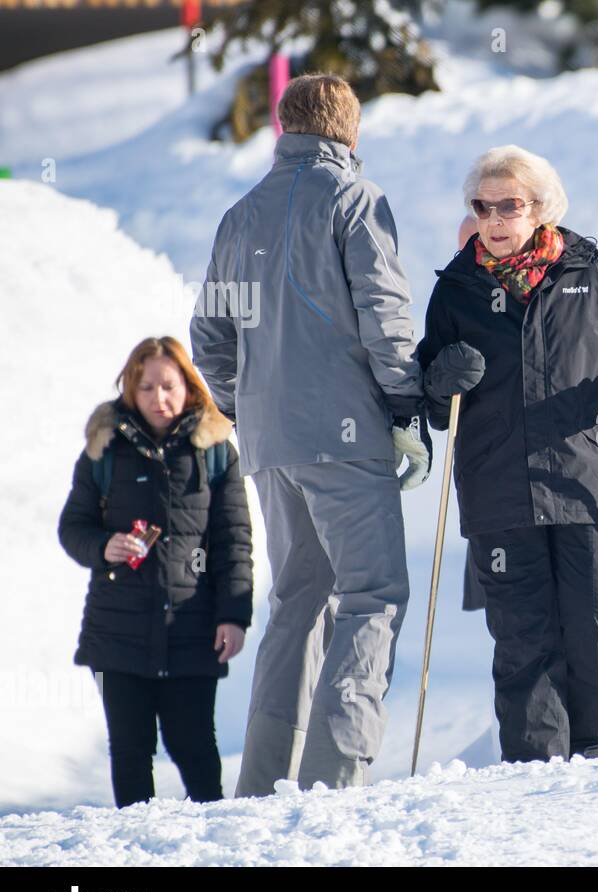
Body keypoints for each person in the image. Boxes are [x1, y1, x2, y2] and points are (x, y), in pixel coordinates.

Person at [190, 73, 429, 795]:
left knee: (298, 598)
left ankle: (263, 781)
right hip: (343, 432)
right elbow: (384, 312)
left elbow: (209, 337)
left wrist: (245, 404)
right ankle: (335, 774)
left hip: (268, 441)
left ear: (284, 131)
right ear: (350, 133)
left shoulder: (239, 216)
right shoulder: (355, 200)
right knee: (372, 593)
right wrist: (406, 407)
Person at [419, 144, 598, 762]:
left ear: (542, 208)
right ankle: (534, 775)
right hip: (499, 493)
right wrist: (441, 376)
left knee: (594, 630)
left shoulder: (591, 274)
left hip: (586, 484)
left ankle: (594, 757)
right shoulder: (456, 289)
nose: (494, 218)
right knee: (522, 641)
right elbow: (430, 404)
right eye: (482, 206)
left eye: (508, 204)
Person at [58, 336, 253, 808]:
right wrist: (106, 546)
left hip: (192, 629)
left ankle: (217, 852)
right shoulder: (103, 450)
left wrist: (234, 616)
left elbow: (234, 543)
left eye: (168, 386)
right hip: (116, 632)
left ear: (188, 385)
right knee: (130, 753)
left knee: (194, 750)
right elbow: (72, 528)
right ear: (130, 388)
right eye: (145, 388)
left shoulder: (215, 452)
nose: (158, 399)